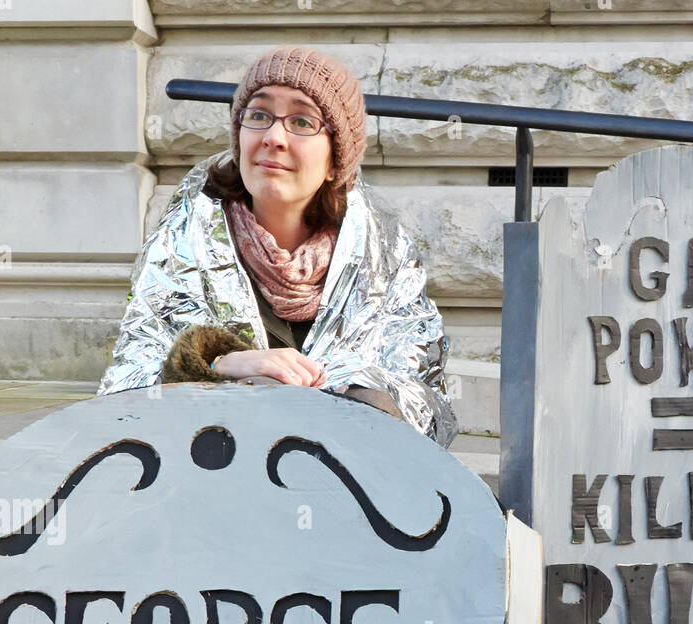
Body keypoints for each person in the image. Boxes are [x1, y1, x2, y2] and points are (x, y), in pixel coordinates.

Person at [99, 45, 457, 448]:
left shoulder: (384, 258)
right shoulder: (183, 245)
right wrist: (219, 365)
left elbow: (428, 411)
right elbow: (124, 395)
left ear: (336, 158)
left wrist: (351, 393)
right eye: (258, 115)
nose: (273, 138)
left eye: (302, 121)